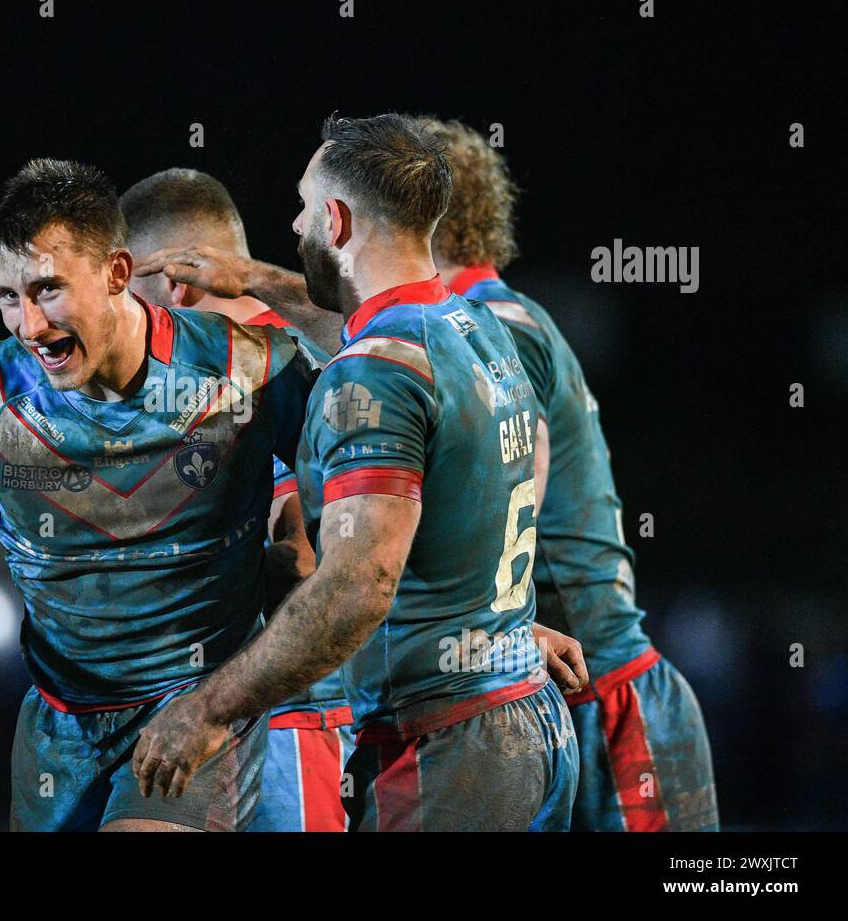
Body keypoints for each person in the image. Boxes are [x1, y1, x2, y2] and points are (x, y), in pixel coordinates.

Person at [132, 114, 583, 830]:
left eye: (305, 207)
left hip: (445, 745)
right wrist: (247, 276)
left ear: (335, 221)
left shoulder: (370, 377)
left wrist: (207, 710)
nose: (295, 222)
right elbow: (366, 332)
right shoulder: (476, 328)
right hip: (525, 719)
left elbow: (357, 588)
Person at [0, 158, 317, 831]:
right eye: (7, 296)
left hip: (195, 712)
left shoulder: (249, 370)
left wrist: (503, 620)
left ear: (119, 273)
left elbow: (397, 410)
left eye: (49, 290)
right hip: (56, 728)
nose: (29, 326)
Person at [421, 117, 718, 830]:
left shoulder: (497, 331)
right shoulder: (481, 323)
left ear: (417, 218)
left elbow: (506, 514)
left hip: (606, 708)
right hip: (565, 694)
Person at [121, 167, 352, 831]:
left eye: (125, 288)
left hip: (285, 715)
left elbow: (304, 564)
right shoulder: (320, 345)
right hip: (223, 709)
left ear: (174, 282)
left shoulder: (257, 370)